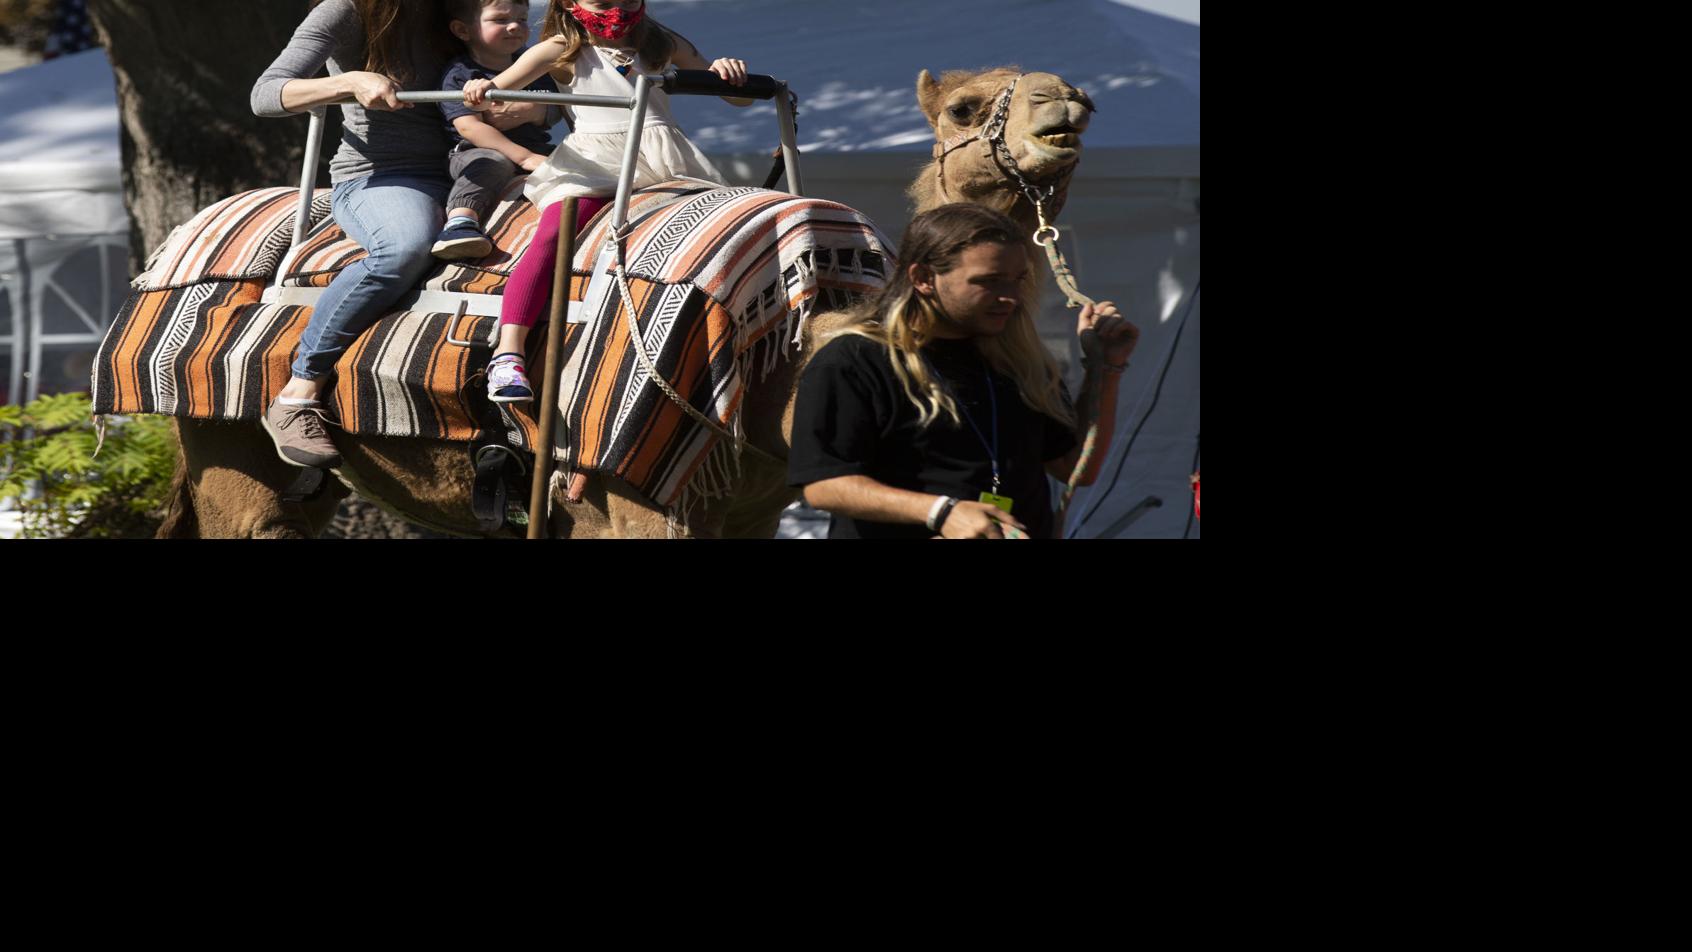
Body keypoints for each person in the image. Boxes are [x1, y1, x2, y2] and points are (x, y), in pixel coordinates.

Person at [787, 204, 1140, 539]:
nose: (1011, 296)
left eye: (1017, 279)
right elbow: (825, 484)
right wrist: (943, 512)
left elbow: (1076, 468)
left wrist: (1105, 367)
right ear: (923, 278)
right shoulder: (854, 360)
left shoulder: (1020, 360)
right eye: (989, 281)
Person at [460, 0, 752, 402]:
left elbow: (740, 100)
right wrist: (480, 90)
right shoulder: (560, 47)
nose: (616, 6)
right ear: (569, 2)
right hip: (597, 162)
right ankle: (508, 352)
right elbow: (490, 94)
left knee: (723, 227)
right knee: (553, 235)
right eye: (601, 1)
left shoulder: (661, 41)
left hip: (665, 159)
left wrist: (726, 71)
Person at [251, 0, 460, 467]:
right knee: (403, 248)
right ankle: (299, 391)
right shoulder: (344, 10)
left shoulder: (476, 5)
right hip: (388, 174)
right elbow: (265, 95)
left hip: (487, 164)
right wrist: (349, 81)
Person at [432, 0, 567, 260]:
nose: (515, 26)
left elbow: (555, 110)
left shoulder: (534, 66)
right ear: (463, 30)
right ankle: (460, 223)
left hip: (535, 149)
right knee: (491, 162)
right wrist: (523, 157)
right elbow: (469, 127)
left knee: (576, 162)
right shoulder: (460, 74)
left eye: (523, 19)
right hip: (474, 151)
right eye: (501, 20)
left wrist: (536, 112)